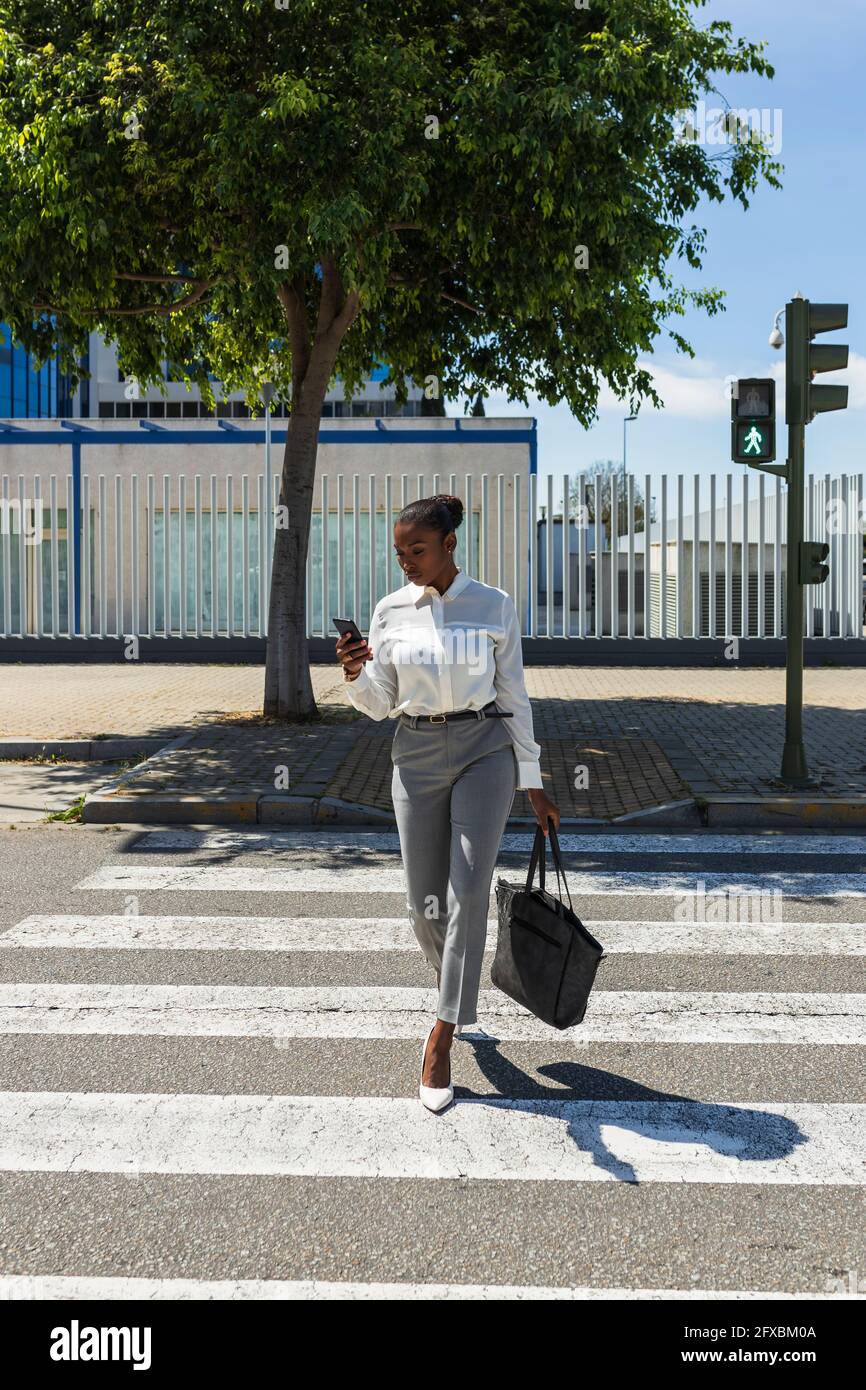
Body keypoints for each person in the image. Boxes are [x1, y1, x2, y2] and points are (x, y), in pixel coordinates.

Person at [336, 493, 560, 1113]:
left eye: (418, 549)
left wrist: (531, 777)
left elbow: (514, 694)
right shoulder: (388, 612)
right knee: (423, 903)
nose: (407, 561)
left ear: (449, 545)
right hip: (414, 752)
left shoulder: (494, 606)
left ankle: (441, 1034)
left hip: (484, 749)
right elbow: (382, 702)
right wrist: (356, 676)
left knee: (466, 890)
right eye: (400, 551)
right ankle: (454, 984)